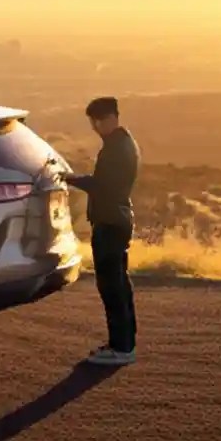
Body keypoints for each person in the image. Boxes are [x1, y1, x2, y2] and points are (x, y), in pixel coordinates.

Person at [63, 96, 140, 366]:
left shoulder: (117, 149)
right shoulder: (121, 143)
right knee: (119, 284)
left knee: (111, 287)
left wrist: (71, 179)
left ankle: (121, 348)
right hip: (116, 221)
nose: (95, 128)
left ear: (109, 118)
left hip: (110, 223)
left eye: (96, 122)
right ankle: (123, 342)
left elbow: (103, 186)